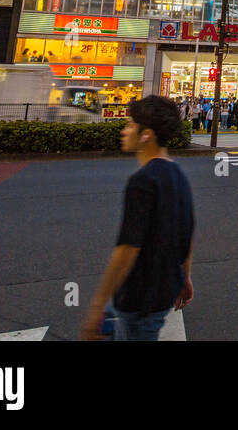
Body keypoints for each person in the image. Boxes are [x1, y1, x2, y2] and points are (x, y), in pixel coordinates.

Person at [82, 96, 195, 340]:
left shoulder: (143, 181)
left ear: (147, 135)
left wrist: (97, 304)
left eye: (130, 125)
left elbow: (128, 248)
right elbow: (187, 232)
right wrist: (184, 276)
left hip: (139, 297)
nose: (124, 131)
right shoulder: (177, 173)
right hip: (163, 290)